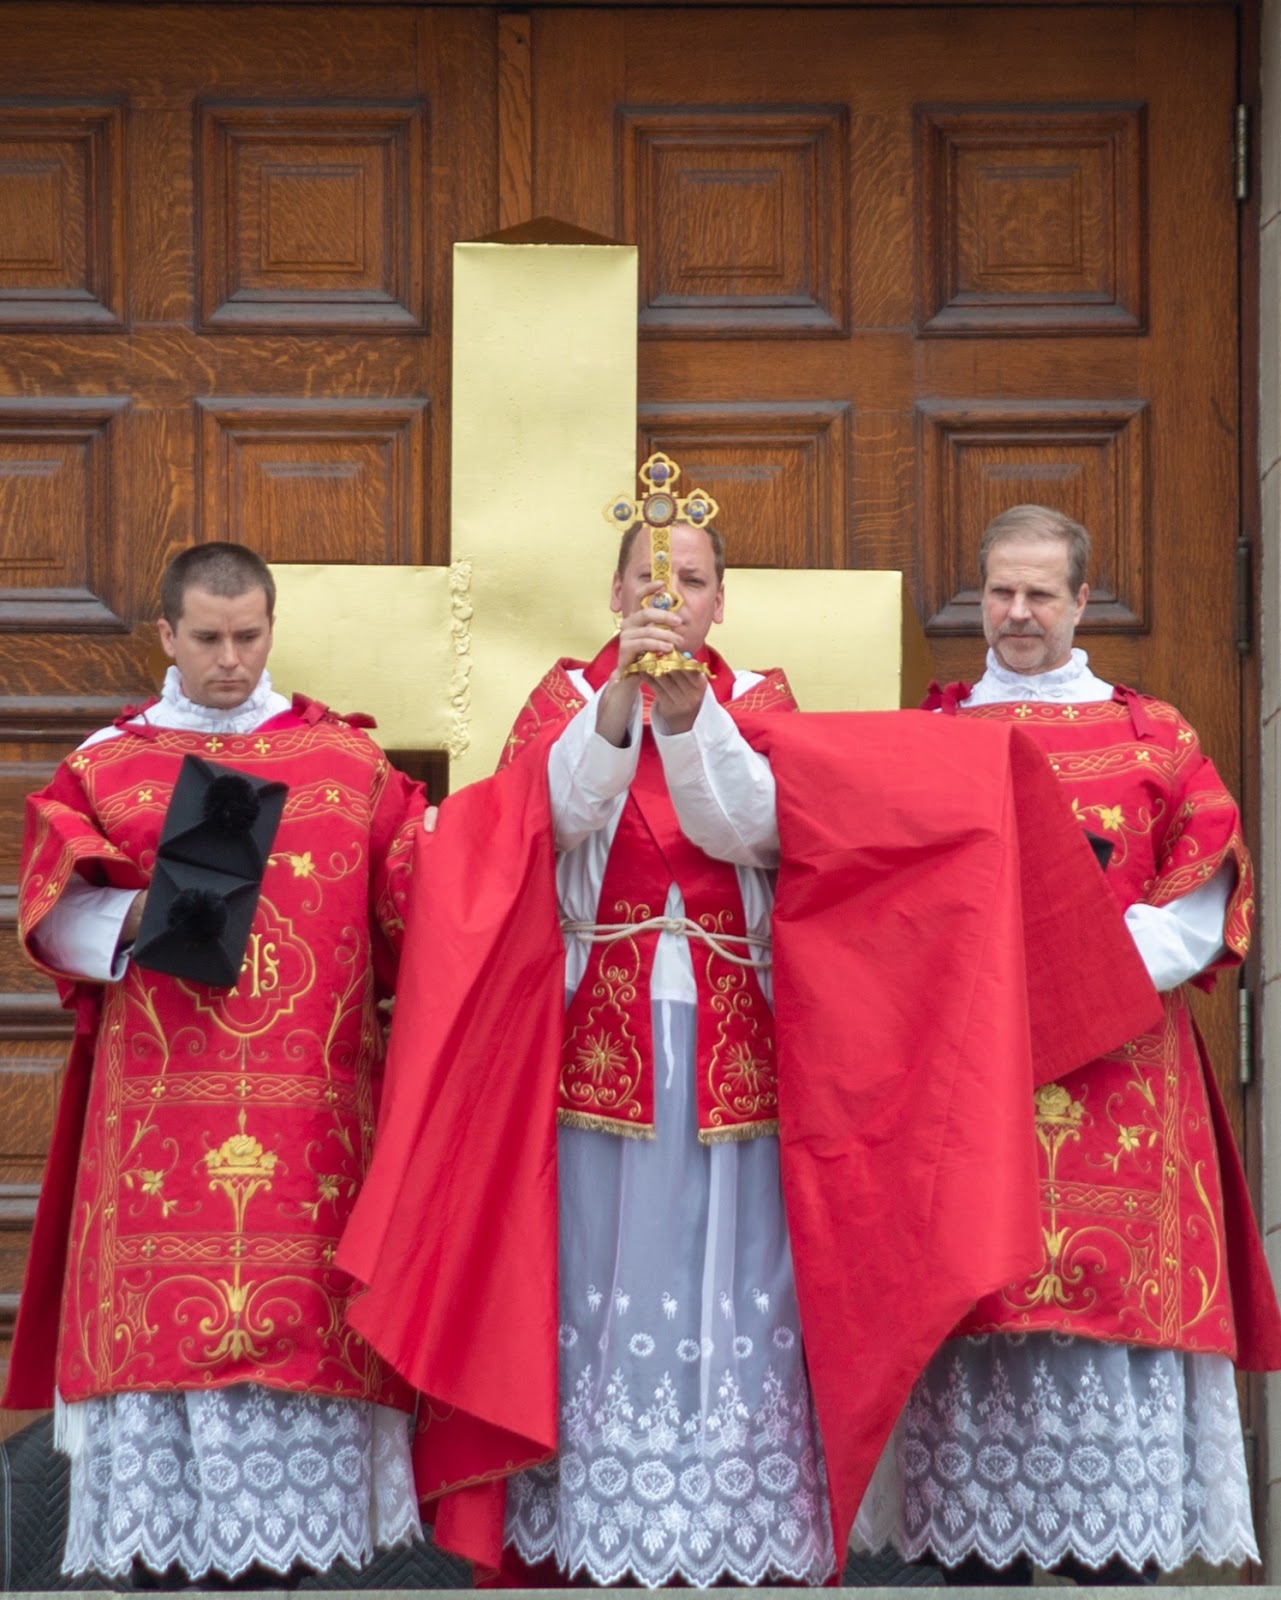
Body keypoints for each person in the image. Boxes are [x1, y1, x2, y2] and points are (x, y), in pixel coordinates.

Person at [338, 467, 1167, 1591]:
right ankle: (595, 1528)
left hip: (740, 1044)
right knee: (599, 1260)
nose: (667, 598)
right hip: (600, 1043)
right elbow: (549, 815)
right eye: (647, 579)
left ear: (720, 601)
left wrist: (693, 725)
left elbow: (759, 830)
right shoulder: (563, 701)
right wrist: (625, 706)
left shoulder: (764, 704)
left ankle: (730, 1536)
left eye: (689, 580)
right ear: (615, 591)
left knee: (737, 1273)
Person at [854, 504, 1281, 1582]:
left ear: (1083, 600)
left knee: (1113, 1516)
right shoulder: (934, 736)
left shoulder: (1156, 737)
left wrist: (1056, 977)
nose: (1018, 613)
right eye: (1001, 591)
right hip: (975, 1096)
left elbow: (1202, 894)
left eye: (1041, 593)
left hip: (1122, 1096)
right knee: (972, 1492)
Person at [7, 542, 427, 1584]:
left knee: (298, 1528)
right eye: (208, 639)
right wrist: (141, 908)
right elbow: (50, 921)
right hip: (159, 1152)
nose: (231, 661)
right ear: (166, 635)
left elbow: (425, 918)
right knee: (164, 1532)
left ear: (272, 628)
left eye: (248, 637)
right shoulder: (105, 766)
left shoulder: (352, 765)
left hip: (308, 1155)